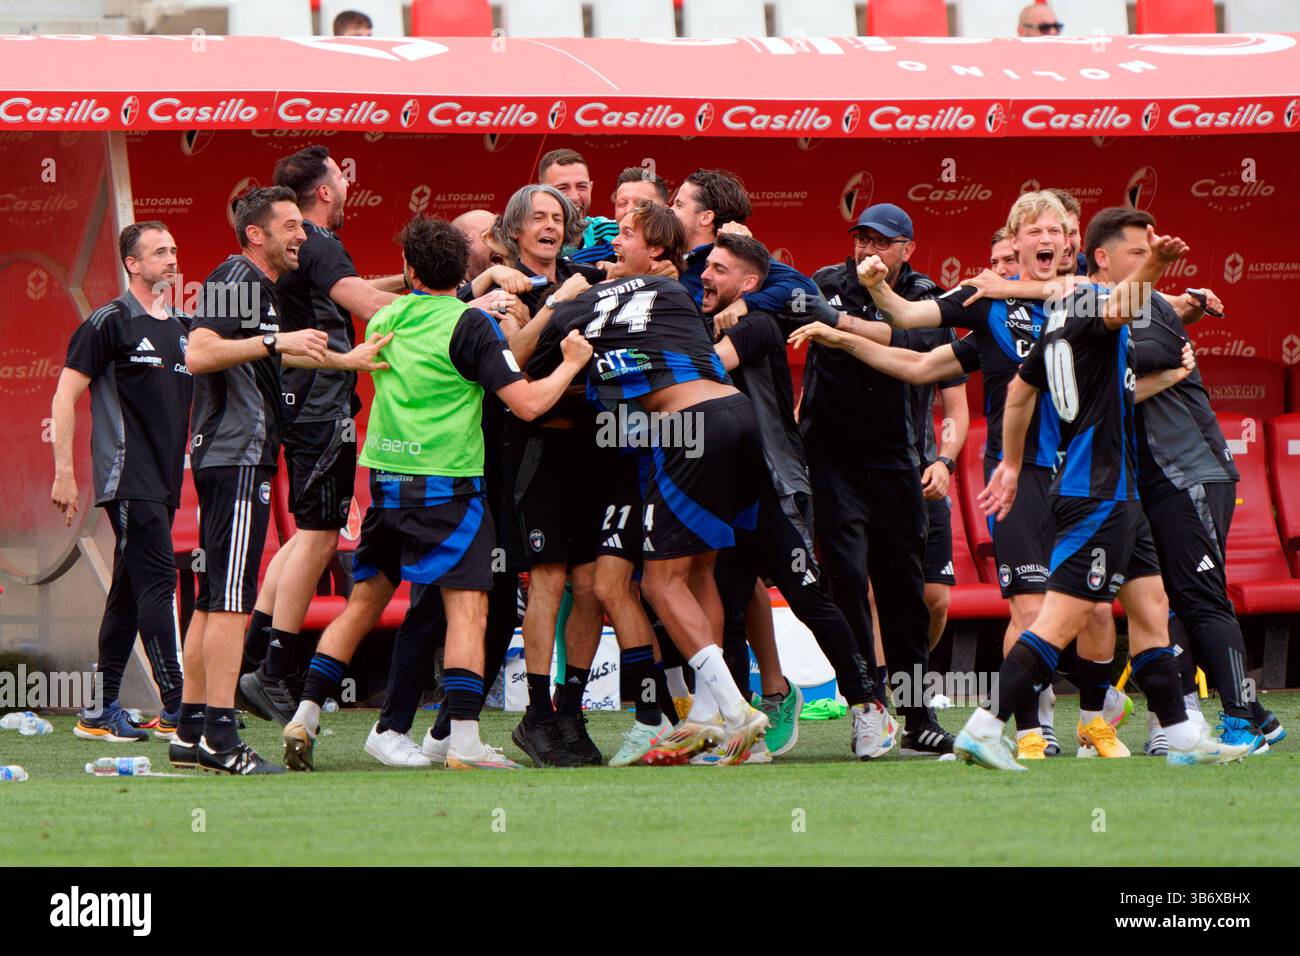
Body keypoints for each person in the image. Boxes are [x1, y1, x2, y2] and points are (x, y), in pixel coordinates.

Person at [818, 192, 1126, 758]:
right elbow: (915, 347)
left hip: (1090, 475)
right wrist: (854, 319)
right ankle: (1032, 729)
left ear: (1071, 240)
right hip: (1017, 475)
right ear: (1014, 241)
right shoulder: (984, 305)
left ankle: (1096, 714)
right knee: (1029, 607)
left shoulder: (1093, 300)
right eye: (1029, 233)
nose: (1041, 242)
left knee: (1096, 609)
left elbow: (1135, 301)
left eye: (1053, 230)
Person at [281, 214, 593, 771]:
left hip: (386, 484)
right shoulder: (469, 326)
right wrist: (569, 365)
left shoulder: (390, 313)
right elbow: (525, 403)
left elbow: (331, 329)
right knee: (469, 610)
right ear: (466, 272)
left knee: (363, 603)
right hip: (448, 490)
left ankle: (306, 712)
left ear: (408, 271)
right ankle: (466, 742)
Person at [955, 226, 1253, 770]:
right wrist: (1157, 266)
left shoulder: (1056, 323)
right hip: (1099, 494)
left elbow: (1020, 393)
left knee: (1151, 609)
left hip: (1117, 492)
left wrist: (1014, 465)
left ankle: (1182, 737)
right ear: (1097, 267)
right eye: (1130, 256)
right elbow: (1124, 306)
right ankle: (983, 728)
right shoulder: (1094, 306)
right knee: (1056, 622)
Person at [540, 208, 772, 766]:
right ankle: (704, 720)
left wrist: (561, 291)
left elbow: (538, 332)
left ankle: (737, 713)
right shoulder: (676, 296)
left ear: (660, 255)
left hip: (691, 430)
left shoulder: (603, 295)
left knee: (659, 584)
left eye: (625, 236)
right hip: (736, 418)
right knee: (698, 572)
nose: (613, 247)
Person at [175, 186, 382, 774]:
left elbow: (269, 355)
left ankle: (190, 732)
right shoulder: (235, 276)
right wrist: (275, 339)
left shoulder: (261, 287)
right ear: (256, 234)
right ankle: (220, 736)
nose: (303, 236)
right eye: (291, 226)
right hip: (236, 454)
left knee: (217, 600)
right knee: (231, 604)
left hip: (241, 453)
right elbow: (199, 353)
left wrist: (345, 360)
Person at [1081, 207, 1278, 753]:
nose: (1151, 265)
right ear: (1102, 257)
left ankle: (1241, 720)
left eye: (1152, 255)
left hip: (1191, 472)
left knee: (1200, 598)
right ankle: (1236, 716)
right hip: (1146, 481)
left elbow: (1147, 354)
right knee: (1162, 598)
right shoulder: (1093, 303)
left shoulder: (1147, 305)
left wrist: (1085, 351)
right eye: (1138, 254)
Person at [703, 232, 891, 761]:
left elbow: (708, 369)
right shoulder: (703, 312)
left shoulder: (759, 323)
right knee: (730, 609)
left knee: (810, 599)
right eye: (707, 266)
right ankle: (746, 729)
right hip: (723, 496)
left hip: (776, 487)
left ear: (749, 282)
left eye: (720, 269)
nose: (706, 276)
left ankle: (869, 708)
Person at [238, 145, 402, 725]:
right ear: (327, 190)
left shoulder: (308, 246)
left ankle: (253, 658)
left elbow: (350, 288)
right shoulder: (316, 239)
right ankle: (274, 671)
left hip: (301, 400)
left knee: (307, 535)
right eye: (342, 174)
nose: (348, 181)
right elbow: (362, 300)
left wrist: (411, 281)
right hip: (319, 403)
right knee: (321, 537)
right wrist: (452, 303)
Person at [799, 201, 955, 754]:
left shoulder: (923, 293)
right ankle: (868, 705)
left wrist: (841, 329)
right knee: (844, 578)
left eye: (881, 241)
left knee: (904, 590)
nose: (868, 250)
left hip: (897, 460)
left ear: (906, 249)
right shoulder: (823, 281)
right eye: (862, 239)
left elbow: (918, 346)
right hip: (830, 459)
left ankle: (918, 713)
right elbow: (792, 312)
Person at [52, 221, 190, 743]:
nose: (171, 259)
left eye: (174, 250)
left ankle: (97, 710)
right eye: (159, 252)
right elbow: (63, 399)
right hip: (127, 476)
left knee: (130, 595)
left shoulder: (183, 326)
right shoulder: (107, 322)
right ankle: (179, 708)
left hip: (164, 480)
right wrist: (65, 473)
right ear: (133, 264)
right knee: (159, 584)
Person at [539, 148, 619, 266]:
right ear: (541, 192)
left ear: (591, 188)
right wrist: (501, 271)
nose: (574, 197)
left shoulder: (615, 232)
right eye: (562, 188)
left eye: (581, 186)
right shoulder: (525, 239)